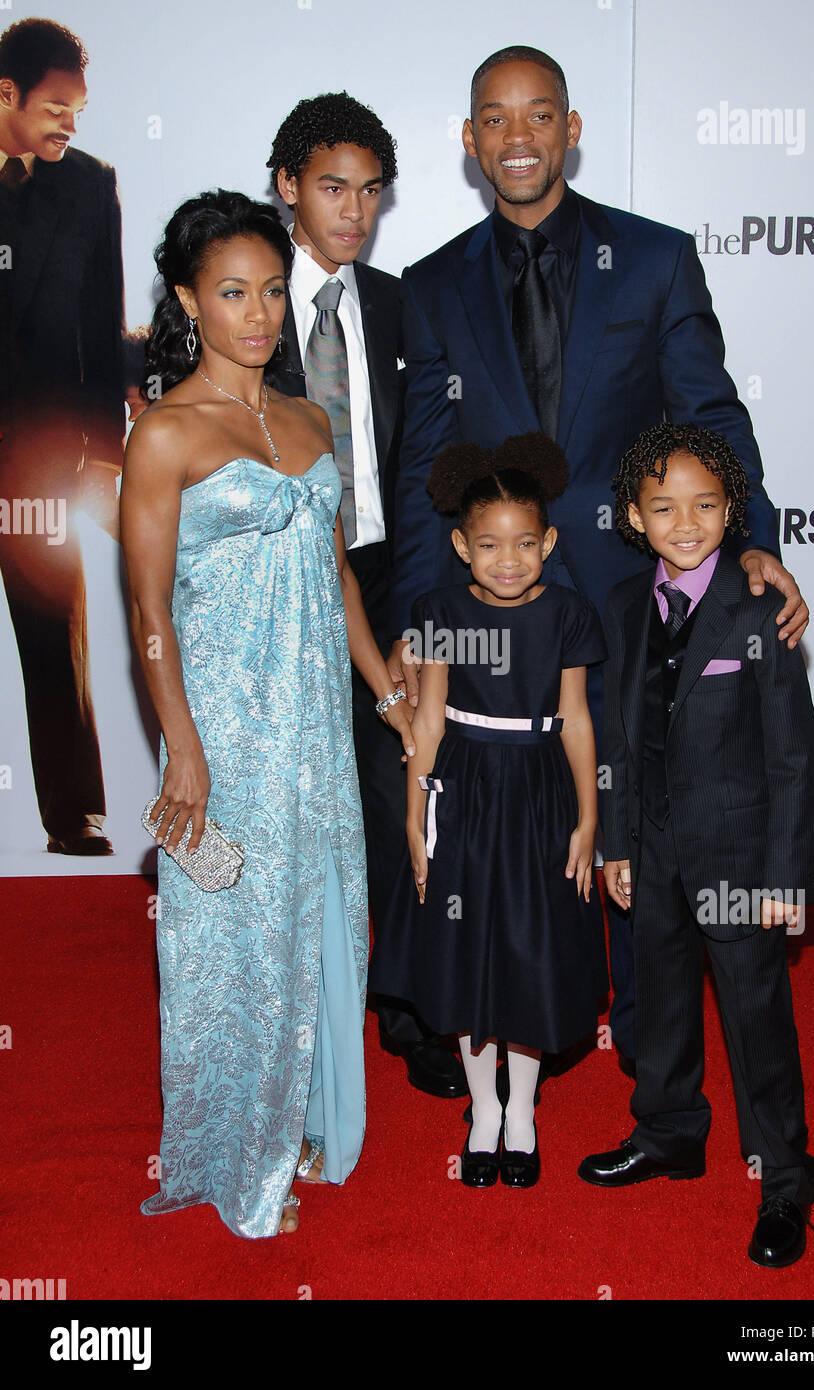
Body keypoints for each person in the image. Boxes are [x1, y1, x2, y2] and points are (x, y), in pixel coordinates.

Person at [388, 45, 810, 1073]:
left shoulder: (656, 258)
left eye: (540, 116)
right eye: (496, 117)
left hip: (632, 591)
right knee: (501, 817)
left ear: (572, 130)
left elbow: (710, 416)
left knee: (635, 810)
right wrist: (416, 614)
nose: (519, 137)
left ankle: (650, 1061)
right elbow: (418, 468)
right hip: (491, 602)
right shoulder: (433, 282)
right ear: (470, 140)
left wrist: (754, 545)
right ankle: (513, 1009)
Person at [120, 190, 414, 1239]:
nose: (258, 313)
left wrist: (385, 692)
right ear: (192, 302)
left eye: (274, 290)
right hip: (227, 727)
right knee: (232, 942)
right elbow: (147, 608)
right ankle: (238, 1152)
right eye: (233, 292)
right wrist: (182, 746)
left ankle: (301, 1119)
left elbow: (336, 579)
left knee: (321, 917)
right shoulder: (163, 433)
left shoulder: (307, 418)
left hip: (313, 725)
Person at [579, 422, 814, 1268]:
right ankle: (671, 1131)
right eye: (665, 508)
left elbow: (794, 756)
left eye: (706, 505)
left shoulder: (761, 610)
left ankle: (787, 1178)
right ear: (634, 520)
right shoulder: (621, 605)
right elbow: (619, 739)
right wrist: (616, 843)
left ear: (732, 511)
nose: (687, 523)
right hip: (654, 852)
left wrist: (789, 874)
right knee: (664, 1001)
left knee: (757, 1019)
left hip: (742, 859)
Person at [267, 92, 467, 1101]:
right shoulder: (243, 299)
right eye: (332, 187)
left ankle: (408, 1010)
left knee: (402, 800)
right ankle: (291, 1017)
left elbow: (427, 464)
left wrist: (425, 609)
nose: (353, 212)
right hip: (275, 587)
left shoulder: (397, 305)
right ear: (286, 186)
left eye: (371, 192)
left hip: (385, 580)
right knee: (290, 809)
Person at [370, 434, 609, 1188]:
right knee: (470, 955)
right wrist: (414, 815)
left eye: (526, 543)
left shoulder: (569, 614)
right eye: (490, 544)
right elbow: (428, 720)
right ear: (460, 546)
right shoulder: (437, 610)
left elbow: (575, 719)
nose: (509, 559)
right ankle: (482, 1113)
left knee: (529, 954)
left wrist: (589, 818)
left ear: (551, 542)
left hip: (539, 794)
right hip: (464, 794)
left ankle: (524, 1115)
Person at [0, 17, 124, 855]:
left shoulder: (88, 185)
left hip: (40, 458)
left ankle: (73, 811)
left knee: (55, 635)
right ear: (4, 95)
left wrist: (104, 458)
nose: (68, 125)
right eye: (54, 107)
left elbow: (102, 320)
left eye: (77, 111)